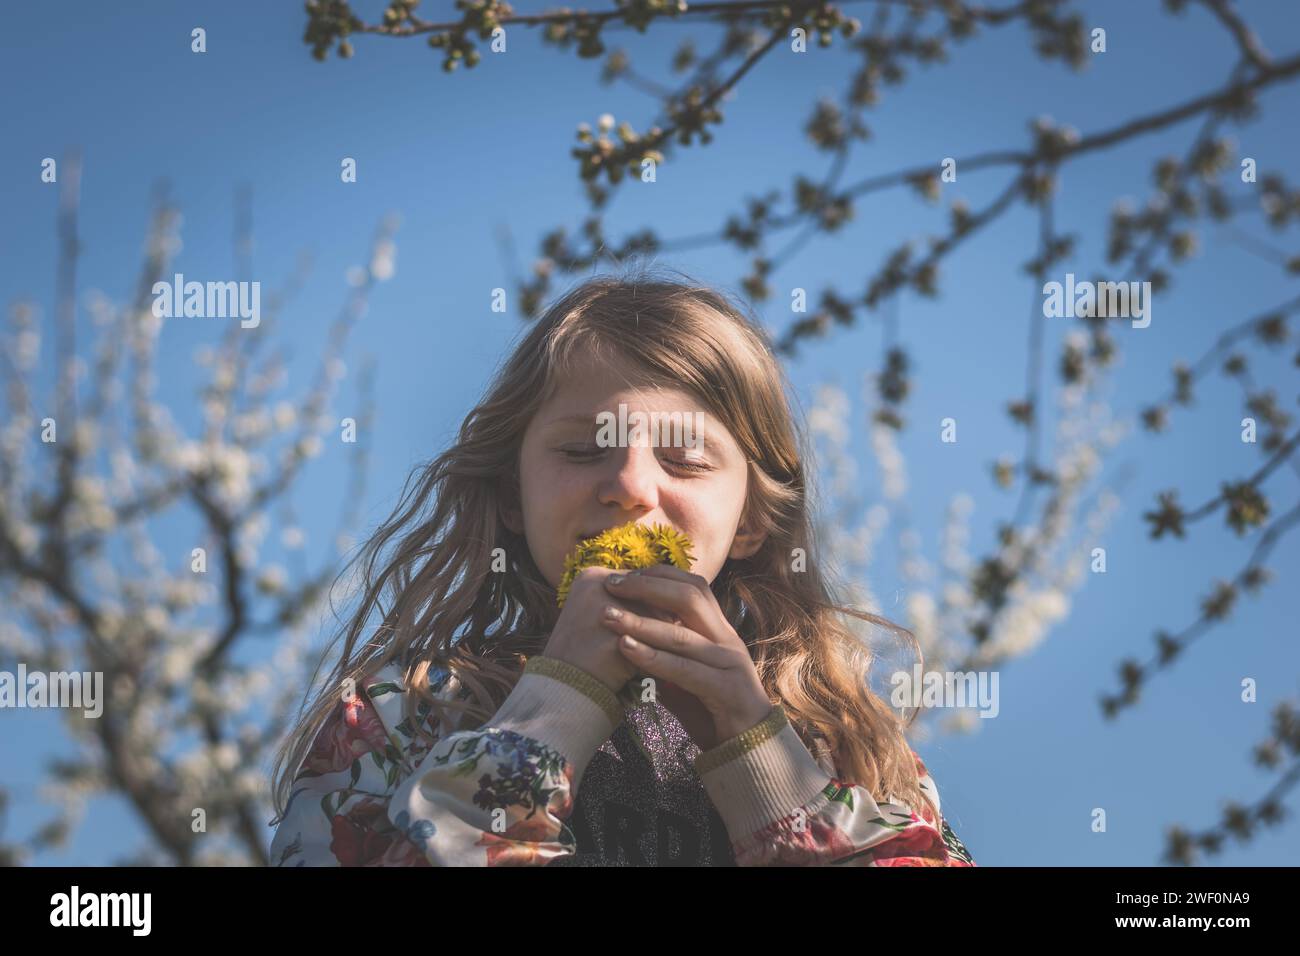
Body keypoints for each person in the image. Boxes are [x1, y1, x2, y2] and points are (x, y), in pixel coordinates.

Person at [268, 269, 977, 867]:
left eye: (686, 460)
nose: (631, 486)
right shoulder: (403, 713)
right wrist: (554, 709)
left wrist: (756, 746)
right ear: (513, 494)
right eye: (582, 452)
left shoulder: (845, 743)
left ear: (755, 521)